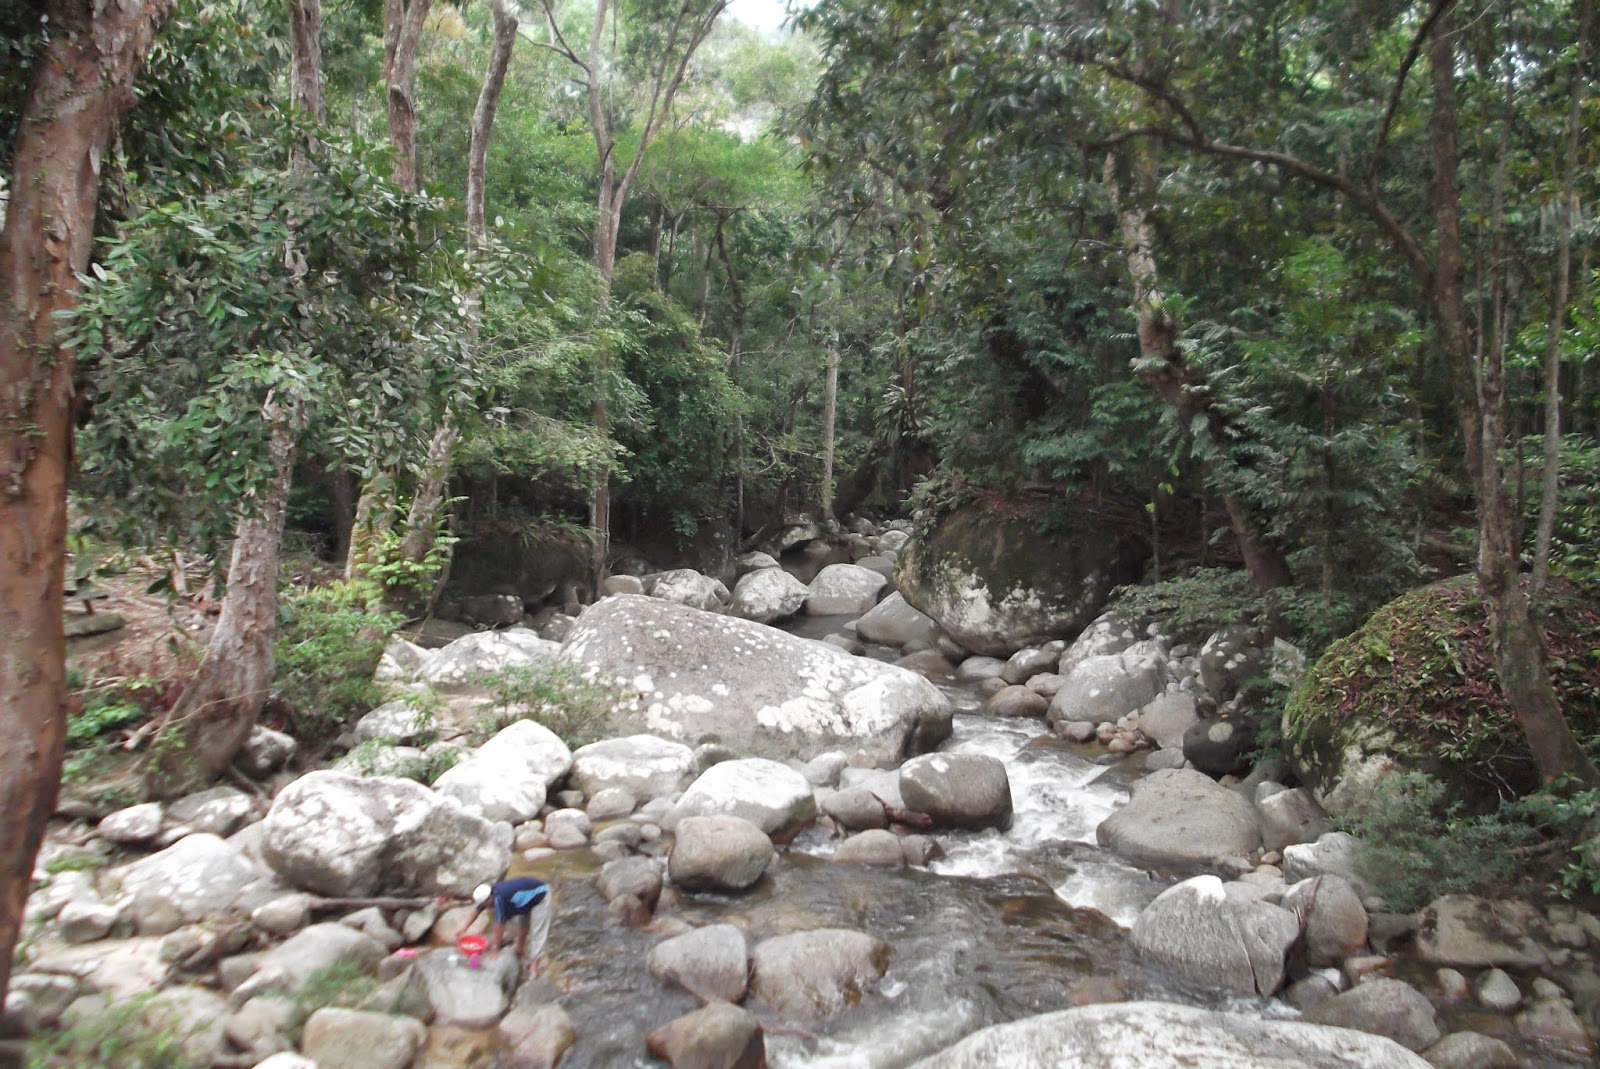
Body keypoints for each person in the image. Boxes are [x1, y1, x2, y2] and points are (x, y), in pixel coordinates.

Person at [455, 875, 553, 977]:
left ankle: (534, 966)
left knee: (538, 931)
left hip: (541, 895)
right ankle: (519, 949)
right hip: (524, 899)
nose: (487, 907)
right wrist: (464, 928)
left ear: (489, 899)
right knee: (522, 924)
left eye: (486, 905)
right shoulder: (488, 895)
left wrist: (495, 948)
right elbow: (477, 910)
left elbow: (500, 925)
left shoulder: (500, 899)